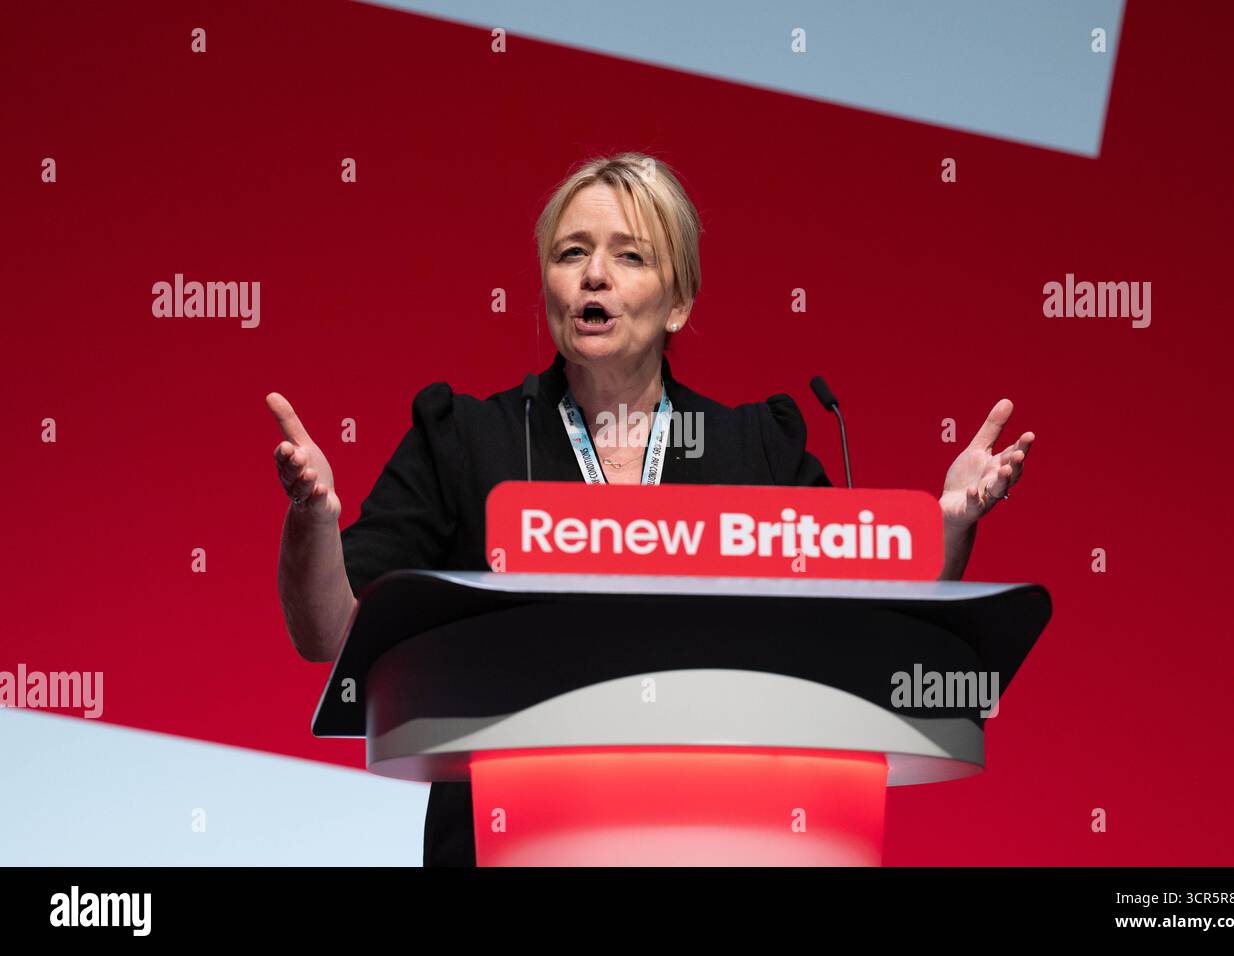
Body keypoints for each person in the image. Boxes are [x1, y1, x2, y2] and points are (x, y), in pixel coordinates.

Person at [266, 152, 1035, 866]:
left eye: (629, 256)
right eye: (572, 254)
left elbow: (874, 628)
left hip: (729, 844)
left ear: (679, 302)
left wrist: (952, 523)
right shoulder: (465, 440)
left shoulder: (756, 450)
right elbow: (329, 631)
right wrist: (313, 521)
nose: (594, 275)